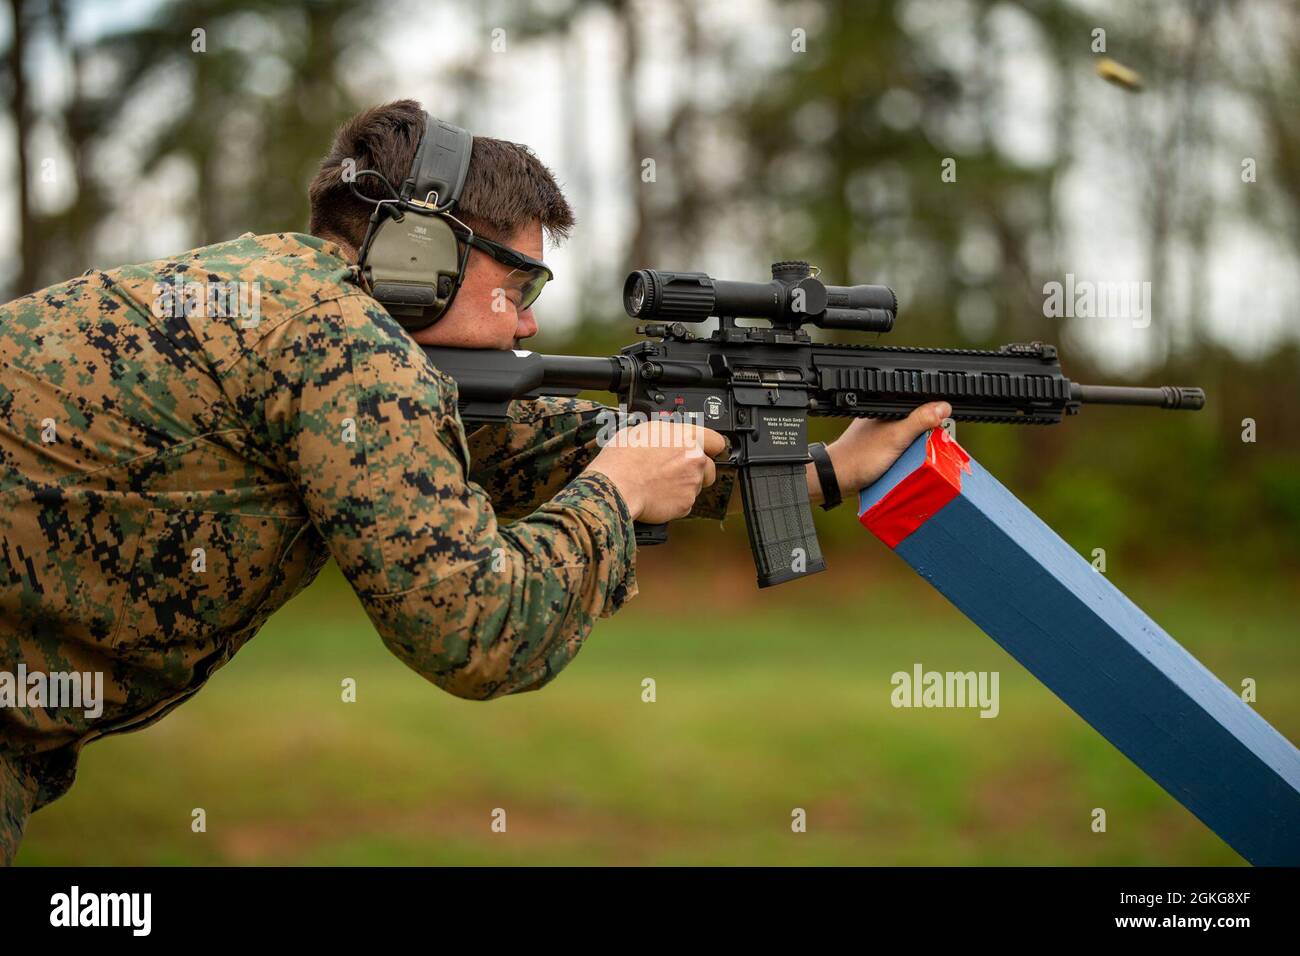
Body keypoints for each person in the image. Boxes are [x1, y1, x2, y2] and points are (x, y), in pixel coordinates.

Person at [0, 99, 948, 865]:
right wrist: (615, 494)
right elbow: (477, 628)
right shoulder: (343, 344)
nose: (529, 324)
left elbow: (537, 444)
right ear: (423, 251)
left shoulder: (289, 291)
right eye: (521, 284)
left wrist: (818, 468)